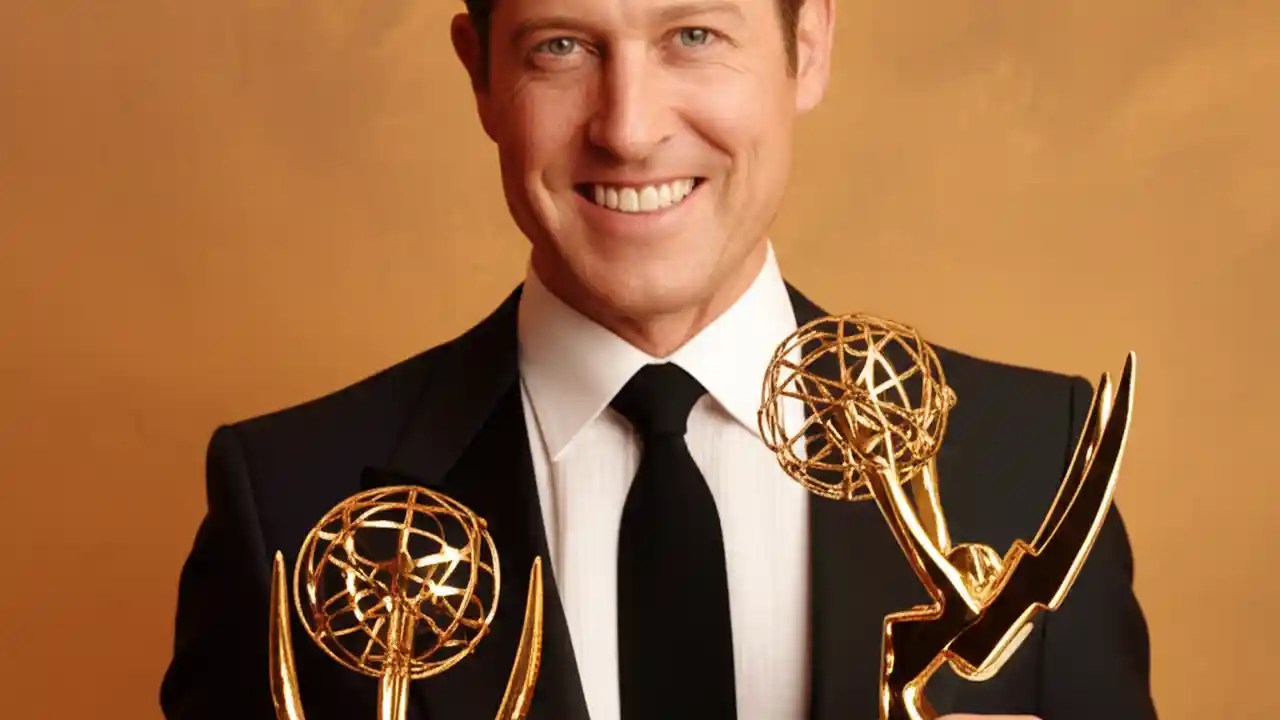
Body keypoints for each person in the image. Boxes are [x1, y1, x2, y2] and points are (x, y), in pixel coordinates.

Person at [160, 0, 1156, 718]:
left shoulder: (1034, 467)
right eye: (560, 46)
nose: (628, 129)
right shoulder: (288, 506)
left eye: (693, 36)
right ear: (479, 74)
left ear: (806, 44)